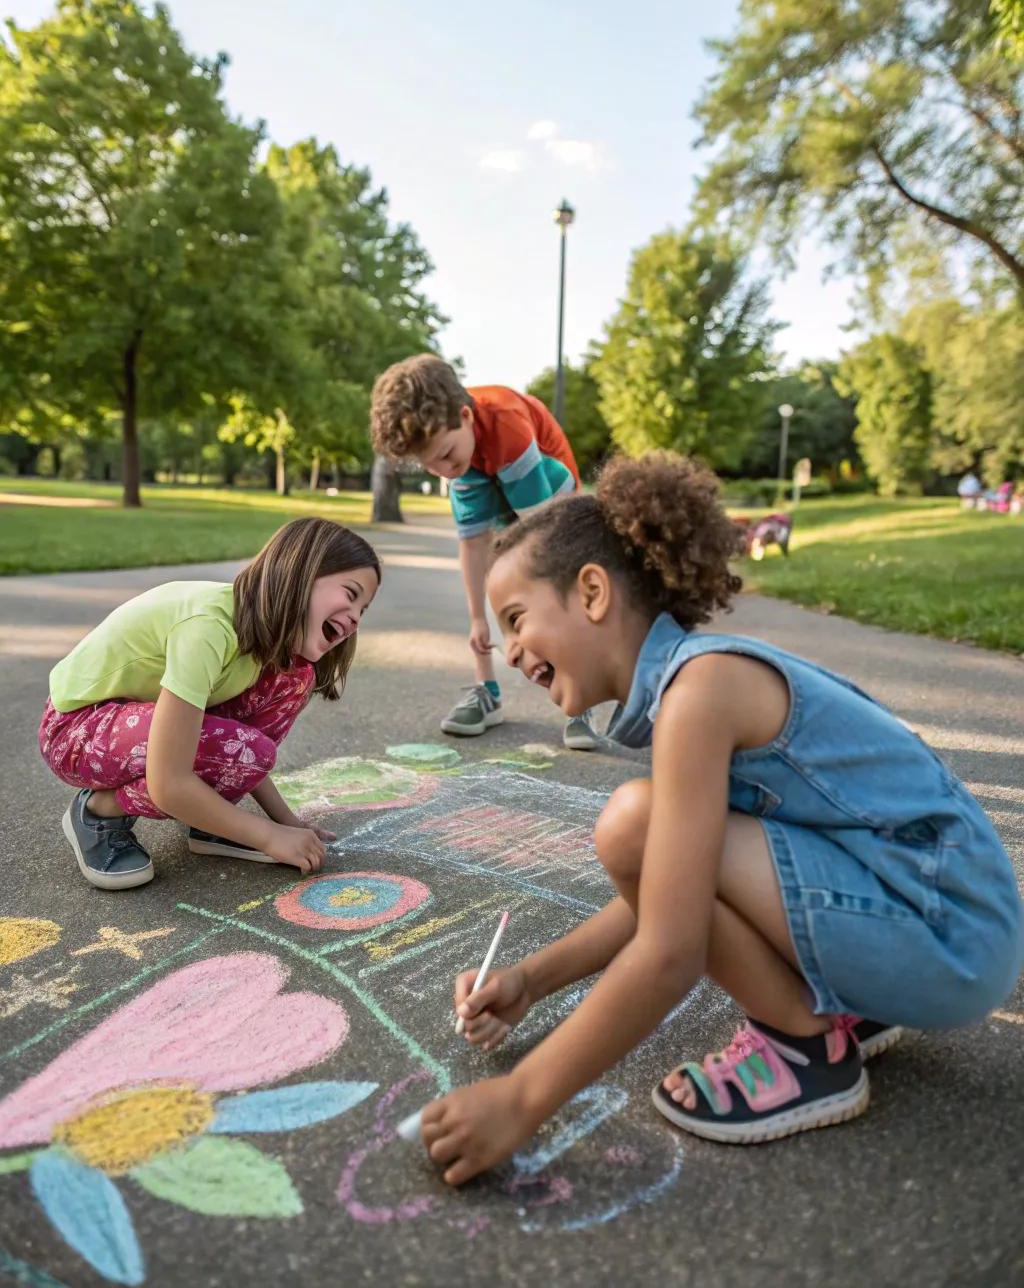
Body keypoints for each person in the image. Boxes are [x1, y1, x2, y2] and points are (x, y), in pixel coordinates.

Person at [416, 453, 1022, 1184]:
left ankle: (807, 1050)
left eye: (515, 620)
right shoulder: (698, 680)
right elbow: (684, 886)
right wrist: (530, 980)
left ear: (593, 591)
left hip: (946, 935)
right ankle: (854, 1000)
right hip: (943, 921)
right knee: (648, 835)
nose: (509, 652)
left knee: (630, 825)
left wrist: (523, 1098)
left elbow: (671, 948)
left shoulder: (699, 695)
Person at [40, 517, 380, 890]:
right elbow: (170, 782)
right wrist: (266, 835)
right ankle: (97, 811)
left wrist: (285, 821)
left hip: (137, 722)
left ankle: (211, 821)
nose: (354, 620)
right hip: (75, 731)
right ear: (300, 573)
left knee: (292, 681)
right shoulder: (208, 627)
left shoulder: (262, 646)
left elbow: (244, 749)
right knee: (233, 751)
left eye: (362, 610)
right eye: (350, 594)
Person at [370, 353, 597, 749]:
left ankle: (579, 691)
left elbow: (537, 544)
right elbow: (473, 545)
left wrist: (522, 632)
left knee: (555, 592)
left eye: (443, 455)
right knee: (491, 566)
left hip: (551, 497)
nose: (441, 470)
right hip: (488, 470)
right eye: (429, 466)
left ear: (465, 416)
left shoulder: (506, 424)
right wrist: (480, 620)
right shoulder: (457, 456)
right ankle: (486, 692)